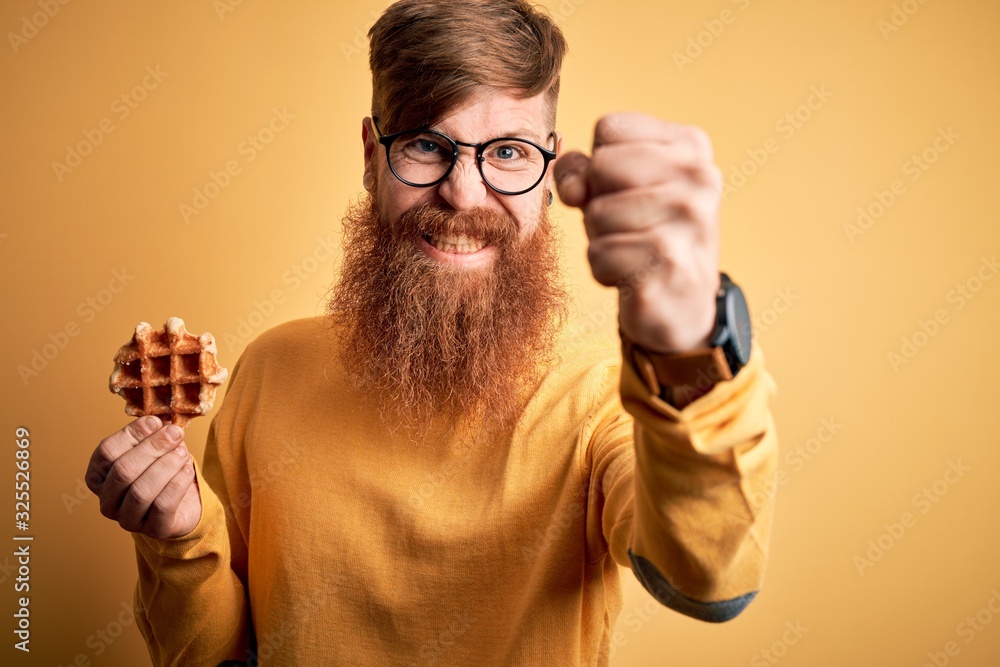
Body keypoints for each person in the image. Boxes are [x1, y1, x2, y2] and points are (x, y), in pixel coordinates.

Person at [86, 1, 779, 665]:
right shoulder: (270, 369)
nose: (464, 193)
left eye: (507, 152)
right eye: (424, 143)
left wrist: (687, 344)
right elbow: (214, 655)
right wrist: (179, 540)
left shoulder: (605, 400)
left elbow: (708, 578)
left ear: (547, 171)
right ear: (370, 155)